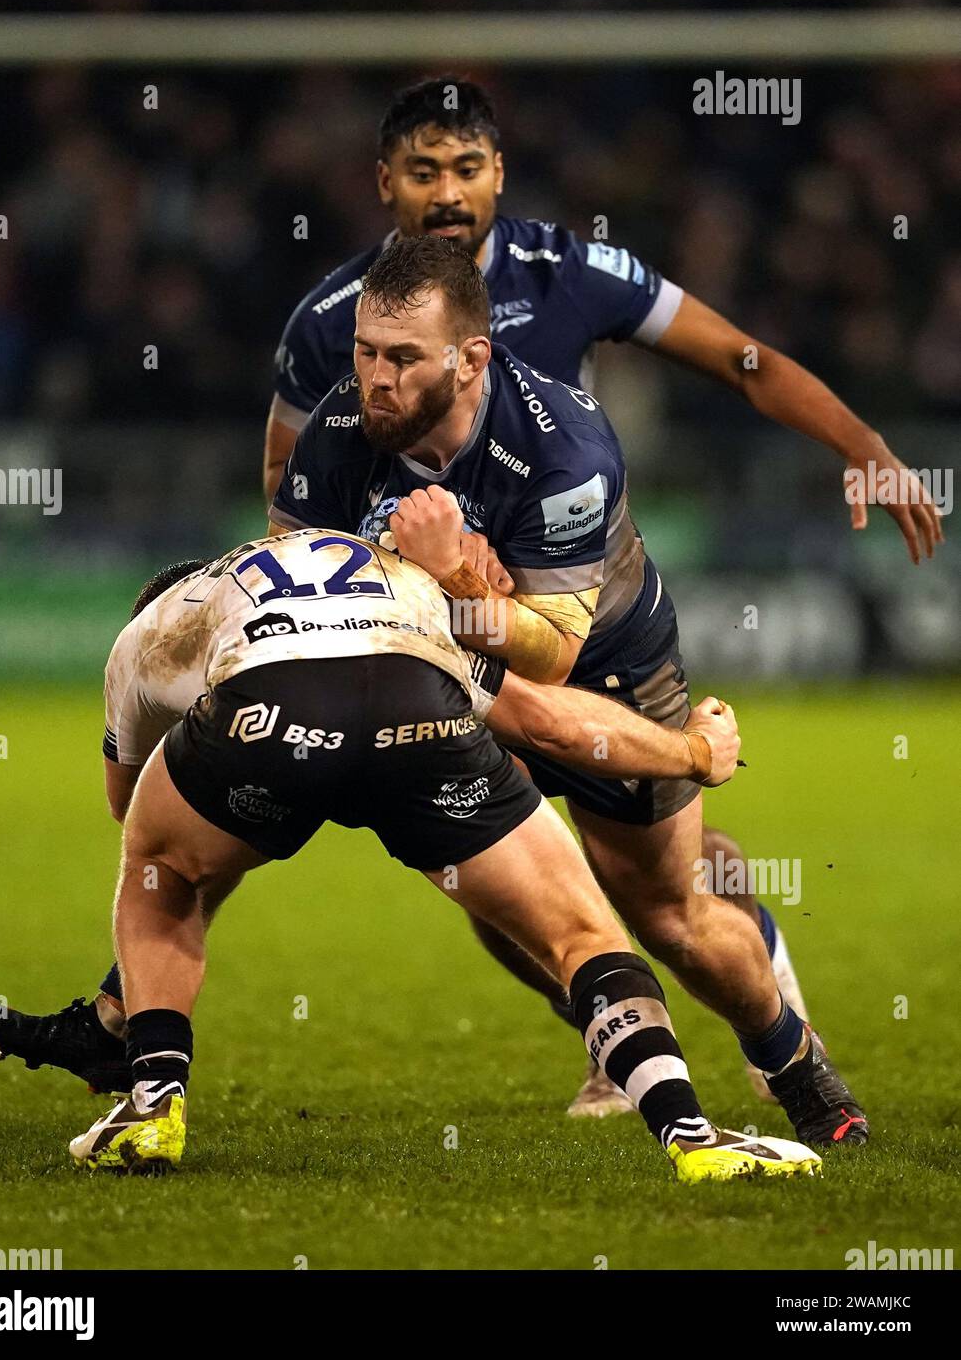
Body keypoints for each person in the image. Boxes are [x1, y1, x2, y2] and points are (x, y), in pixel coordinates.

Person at [260, 76, 940, 1116]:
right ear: (383, 181)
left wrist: (863, 444)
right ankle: (624, 1034)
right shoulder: (335, 326)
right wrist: (397, 584)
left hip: (583, 613)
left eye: (468, 167)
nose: (448, 192)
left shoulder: (564, 279)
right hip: (454, 618)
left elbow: (736, 360)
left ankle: (760, 1002)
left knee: (665, 897)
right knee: (489, 867)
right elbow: (293, 509)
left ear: (500, 174)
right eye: (424, 170)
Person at [0, 529, 820, 1183]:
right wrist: (694, 755)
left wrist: (241, 792)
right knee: (583, 936)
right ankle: (690, 1134)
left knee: (162, 875)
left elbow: (128, 809)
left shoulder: (153, 631)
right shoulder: (396, 576)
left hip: (268, 718)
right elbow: (548, 723)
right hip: (420, 711)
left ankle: (153, 1104)